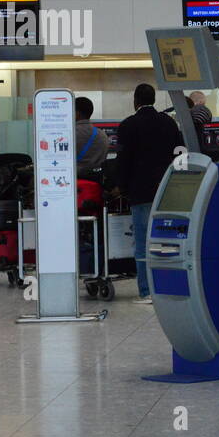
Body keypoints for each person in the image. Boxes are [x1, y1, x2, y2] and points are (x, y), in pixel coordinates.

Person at [115, 83, 182, 304]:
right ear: (154, 99)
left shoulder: (128, 125)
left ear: (135, 101)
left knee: (143, 242)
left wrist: (121, 186)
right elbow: (178, 154)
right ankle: (167, 286)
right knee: (166, 239)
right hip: (167, 190)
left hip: (140, 191)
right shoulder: (169, 123)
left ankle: (146, 290)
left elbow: (123, 160)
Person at [74, 97, 108, 182]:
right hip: (95, 186)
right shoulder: (102, 135)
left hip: (74, 184)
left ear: (77, 113)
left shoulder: (69, 134)